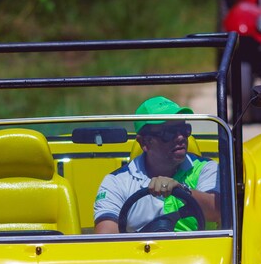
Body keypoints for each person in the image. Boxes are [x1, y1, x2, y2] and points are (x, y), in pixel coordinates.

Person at [93, 96, 221, 233]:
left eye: (184, 129)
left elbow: (218, 210)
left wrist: (181, 190)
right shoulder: (116, 182)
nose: (180, 137)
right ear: (144, 143)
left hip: (199, 253)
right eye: (169, 133)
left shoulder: (206, 168)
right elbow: (106, 237)